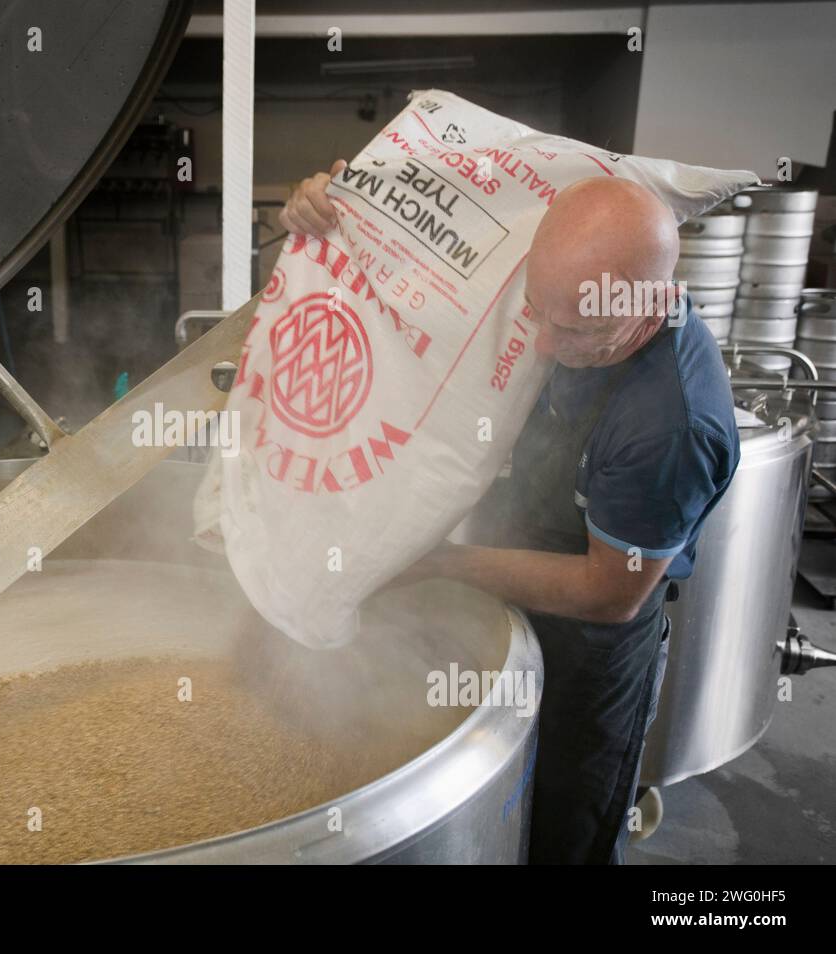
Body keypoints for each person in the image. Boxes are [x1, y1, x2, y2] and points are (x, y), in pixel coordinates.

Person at [280, 164, 740, 864]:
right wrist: (338, 208)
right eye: (538, 313)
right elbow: (411, 247)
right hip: (513, 574)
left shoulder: (669, 423)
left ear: (652, 304)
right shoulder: (565, 296)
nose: (547, 346)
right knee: (491, 799)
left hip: (592, 648)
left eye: (579, 331)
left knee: (565, 826)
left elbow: (608, 593)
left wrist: (438, 564)